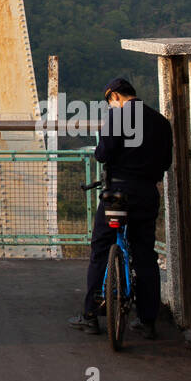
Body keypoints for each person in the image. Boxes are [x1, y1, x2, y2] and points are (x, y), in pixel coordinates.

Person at [69, 77, 172, 339]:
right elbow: (166, 161)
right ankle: (147, 321)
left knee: (101, 249)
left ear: (115, 96)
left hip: (118, 193)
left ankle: (91, 316)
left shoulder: (120, 116)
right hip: (147, 193)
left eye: (110, 103)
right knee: (145, 255)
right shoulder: (160, 122)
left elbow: (103, 153)